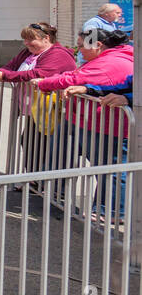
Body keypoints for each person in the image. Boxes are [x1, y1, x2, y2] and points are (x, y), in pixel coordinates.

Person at [38, 29, 133, 222]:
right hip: (101, 123)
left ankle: (112, 211)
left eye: (81, 45)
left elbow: (77, 78)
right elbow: (118, 86)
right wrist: (89, 89)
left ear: (98, 45)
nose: (78, 49)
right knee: (105, 167)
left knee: (112, 168)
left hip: (111, 126)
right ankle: (106, 209)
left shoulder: (112, 61)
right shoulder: (111, 58)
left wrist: (126, 98)